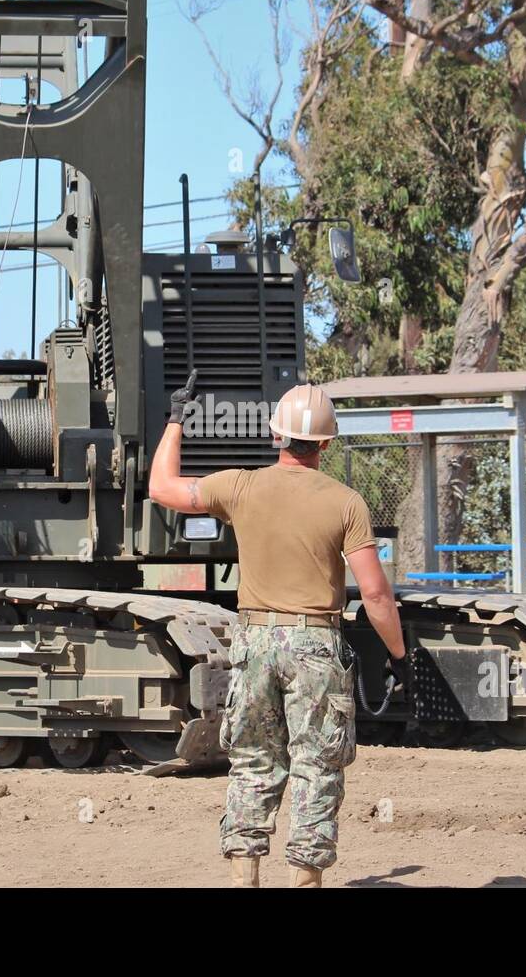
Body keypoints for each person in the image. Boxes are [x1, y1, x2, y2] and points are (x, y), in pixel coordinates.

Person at [148, 373, 407, 888]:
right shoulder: (347, 502)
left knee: (252, 761)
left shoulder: (240, 485)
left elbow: (161, 488)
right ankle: (305, 881)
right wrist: (399, 658)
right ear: (326, 444)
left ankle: (245, 877)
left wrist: (176, 419)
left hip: (254, 642)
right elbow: (375, 595)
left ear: (275, 435)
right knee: (317, 764)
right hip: (316, 645)